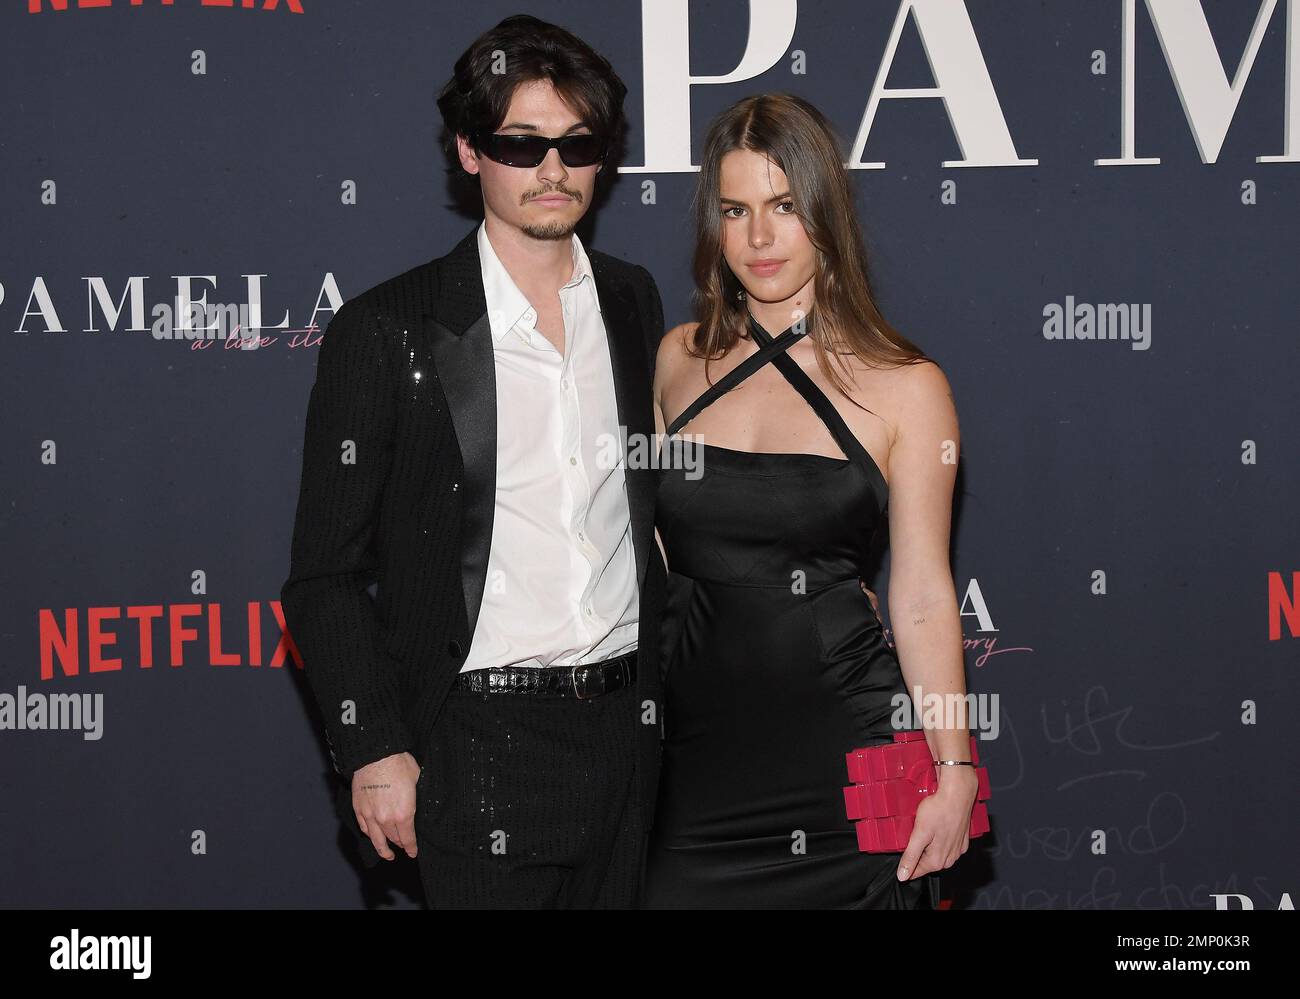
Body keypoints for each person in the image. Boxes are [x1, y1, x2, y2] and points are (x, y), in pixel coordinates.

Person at [280, 14, 667, 908]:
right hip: (475, 743)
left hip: (627, 734)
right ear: (468, 150)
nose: (552, 170)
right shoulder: (388, 330)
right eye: (519, 144)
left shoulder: (633, 301)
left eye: (577, 144)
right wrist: (373, 744)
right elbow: (325, 576)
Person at [640, 93, 978, 908]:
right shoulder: (677, 361)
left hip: (846, 757)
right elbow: (652, 565)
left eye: (785, 206)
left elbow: (926, 595)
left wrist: (956, 767)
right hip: (692, 769)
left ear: (825, 211)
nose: (759, 237)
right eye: (736, 209)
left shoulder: (907, 387)